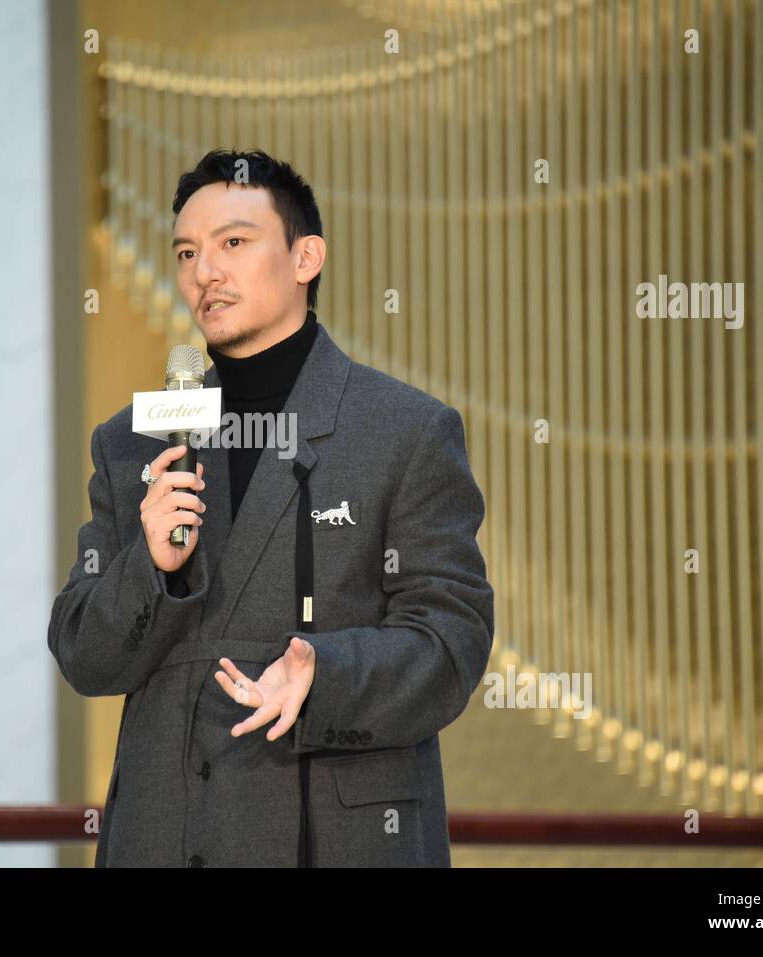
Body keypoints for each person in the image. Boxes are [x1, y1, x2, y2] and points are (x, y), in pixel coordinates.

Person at [48, 148, 494, 867]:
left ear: (305, 257)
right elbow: (83, 652)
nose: (204, 272)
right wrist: (150, 568)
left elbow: (452, 640)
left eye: (233, 242)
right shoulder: (135, 440)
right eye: (187, 251)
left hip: (331, 837)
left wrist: (329, 669)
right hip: (167, 837)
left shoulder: (402, 430)